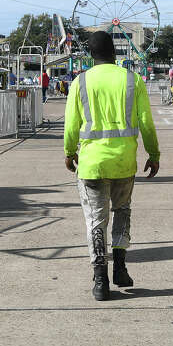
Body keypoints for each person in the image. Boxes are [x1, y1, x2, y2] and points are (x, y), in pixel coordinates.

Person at [64, 31, 160, 301]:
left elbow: (71, 124)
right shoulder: (132, 80)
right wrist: (153, 154)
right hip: (124, 163)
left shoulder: (80, 82)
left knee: (96, 221)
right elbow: (146, 122)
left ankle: (100, 280)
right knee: (122, 212)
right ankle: (120, 267)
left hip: (92, 164)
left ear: (90, 55)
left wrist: (69, 152)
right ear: (114, 53)